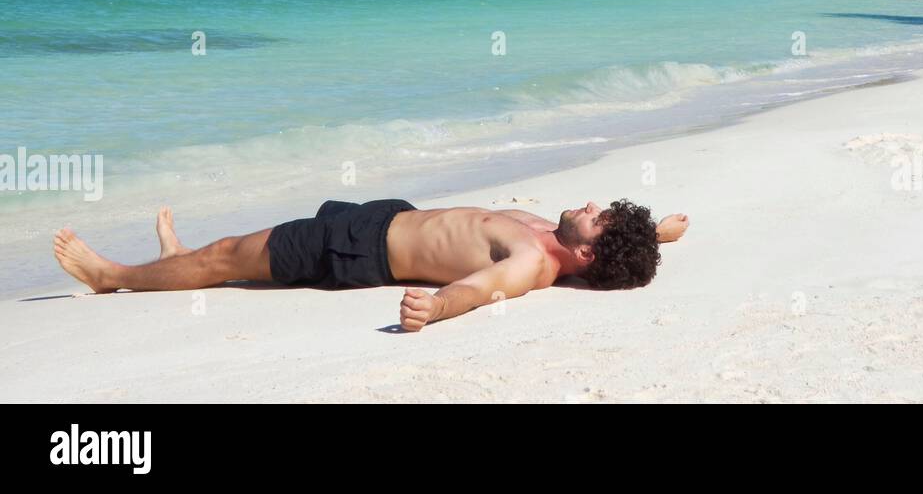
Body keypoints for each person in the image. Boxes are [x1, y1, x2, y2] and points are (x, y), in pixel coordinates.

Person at [53, 199, 690, 331]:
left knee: (229, 257)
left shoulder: (530, 260)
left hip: (358, 248)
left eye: (599, 217)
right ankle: (175, 261)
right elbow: (618, 248)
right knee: (236, 250)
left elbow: (482, 289)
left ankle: (112, 276)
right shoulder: (562, 238)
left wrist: (436, 307)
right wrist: (654, 233)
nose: (589, 204)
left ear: (586, 254)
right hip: (385, 217)